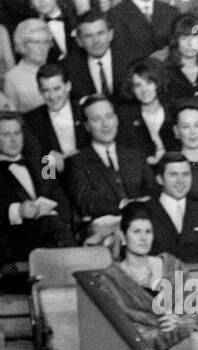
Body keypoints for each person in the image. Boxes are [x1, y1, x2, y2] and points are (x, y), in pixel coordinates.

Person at [96, 203, 198, 350]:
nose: (143, 238)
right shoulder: (111, 280)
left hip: (178, 344)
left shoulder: (172, 266)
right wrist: (160, 332)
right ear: (123, 237)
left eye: (148, 231)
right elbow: (118, 331)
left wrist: (178, 321)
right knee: (196, 339)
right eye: (136, 232)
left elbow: (197, 311)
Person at [62, 94, 154, 238]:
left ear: (116, 119)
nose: (105, 124)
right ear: (86, 126)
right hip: (104, 235)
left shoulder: (136, 156)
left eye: (109, 116)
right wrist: (124, 204)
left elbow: (152, 193)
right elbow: (87, 204)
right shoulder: (77, 162)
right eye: (96, 119)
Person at [0, 108, 73, 265]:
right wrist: (17, 210)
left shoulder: (45, 162)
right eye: (6, 135)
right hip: (14, 242)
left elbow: (60, 196)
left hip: (52, 233)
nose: (14, 140)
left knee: (54, 225)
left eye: (17, 133)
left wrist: (57, 215)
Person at [140, 150, 198, 264]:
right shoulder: (144, 211)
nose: (180, 180)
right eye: (173, 174)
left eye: (185, 174)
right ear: (159, 179)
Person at [22, 61, 86, 172]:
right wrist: (50, 161)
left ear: (68, 86)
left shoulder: (84, 110)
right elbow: (35, 163)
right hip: (56, 181)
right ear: (40, 91)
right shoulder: (31, 120)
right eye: (46, 90)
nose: (52, 96)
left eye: (57, 89)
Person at [159, 13, 198, 114]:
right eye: (184, 38)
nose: (190, 43)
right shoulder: (165, 72)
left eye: (195, 37)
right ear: (175, 41)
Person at [115, 58, 174, 166]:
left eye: (149, 82)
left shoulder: (173, 111)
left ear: (158, 82)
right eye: (138, 85)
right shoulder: (125, 116)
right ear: (131, 89)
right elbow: (123, 157)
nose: (144, 90)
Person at [64, 9, 127, 104]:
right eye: (88, 36)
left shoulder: (130, 59)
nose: (96, 41)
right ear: (79, 41)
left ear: (110, 34)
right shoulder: (68, 67)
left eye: (100, 33)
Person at [104, 0, 178, 72]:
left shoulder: (171, 11)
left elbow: (177, 46)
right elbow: (121, 56)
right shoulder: (114, 15)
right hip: (136, 76)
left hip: (169, 76)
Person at [3, 17, 53, 112]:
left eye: (45, 42)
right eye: (35, 42)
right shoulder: (12, 78)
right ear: (22, 45)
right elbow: (12, 118)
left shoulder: (57, 68)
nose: (42, 48)